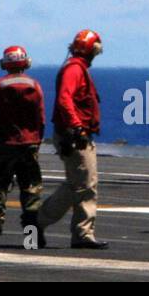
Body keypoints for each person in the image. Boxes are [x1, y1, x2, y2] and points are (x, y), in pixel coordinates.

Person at [37, 29, 107, 250]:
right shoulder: (75, 70)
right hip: (75, 135)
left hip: (74, 133)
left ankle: (43, 222)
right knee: (84, 186)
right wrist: (77, 127)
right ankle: (77, 232)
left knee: (78, 185)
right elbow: (65, 99)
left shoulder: (75, 68)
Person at [0, 45, 45, 238]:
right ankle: (32, 228)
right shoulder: (35, 85)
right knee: (30, 188)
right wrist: (36, 141)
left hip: (5, 144)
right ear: (26, 62)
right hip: (29, 144)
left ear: (5, 63)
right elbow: (40, 118)